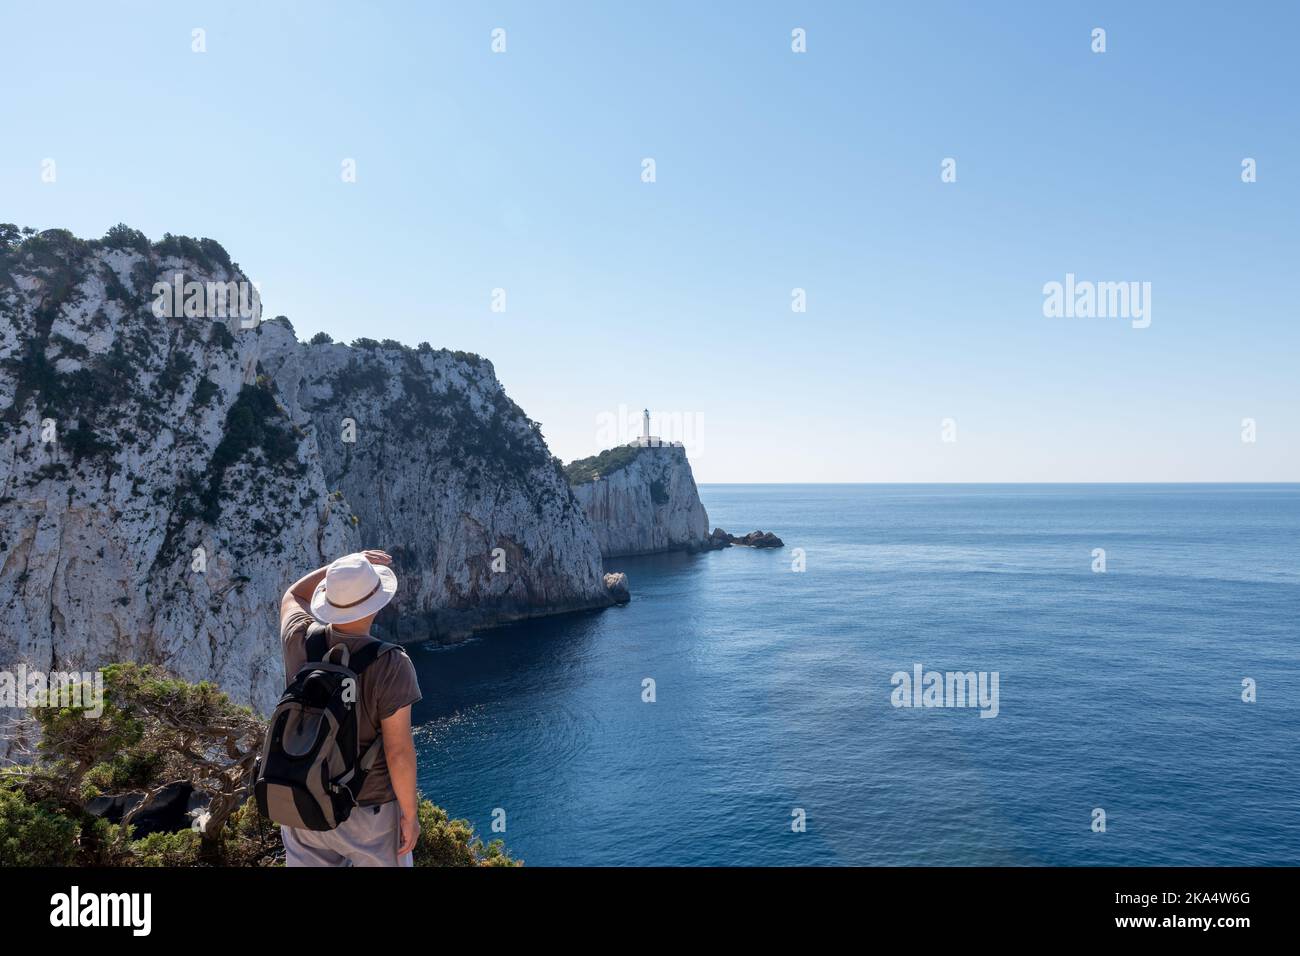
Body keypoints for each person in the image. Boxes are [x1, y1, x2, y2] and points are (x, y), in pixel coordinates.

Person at [277, 549, 422, 866]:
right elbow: (398, 751)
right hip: (369, 811)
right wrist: (410, 816)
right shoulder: (392, 664)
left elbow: (293, 594)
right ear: (377, 604)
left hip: (304, 799)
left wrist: (339, 568)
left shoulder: (299, 639)